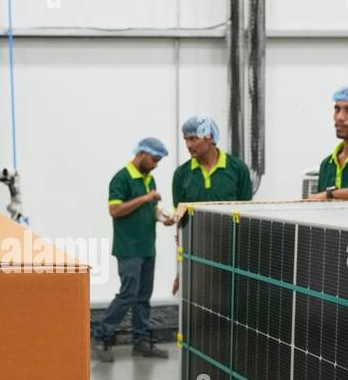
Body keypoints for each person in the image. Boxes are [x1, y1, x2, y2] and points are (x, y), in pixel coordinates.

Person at [93, 137, 174, 362]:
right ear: (141, 154)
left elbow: (151, 209)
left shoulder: (150, 179)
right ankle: (101, 336)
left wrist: (162, 217)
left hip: (147, 247)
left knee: (143, 297)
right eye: (154, 159)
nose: (156, 164)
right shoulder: (122, 178)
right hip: (128, 248)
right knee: (128, 294)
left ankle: (141, 342)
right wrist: (145, 197)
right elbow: (115, 210)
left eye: (159, 161)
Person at [170, 114, 252, 294]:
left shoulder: (237, 170)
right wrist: (180, 269)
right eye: (185, 139)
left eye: (193, 138)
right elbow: (180, 221)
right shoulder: (182, 175)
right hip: (197, 253)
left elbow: (248, 214)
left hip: (231, 252)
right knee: (199, 303)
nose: (189, 145)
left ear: (211, 138)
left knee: (229, 299)